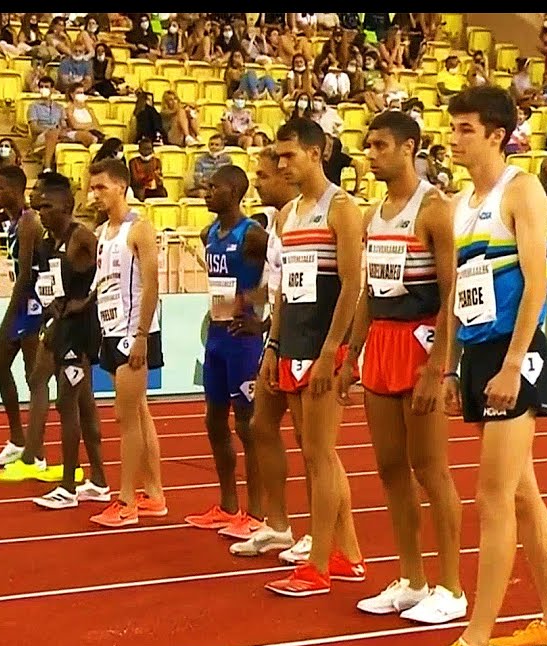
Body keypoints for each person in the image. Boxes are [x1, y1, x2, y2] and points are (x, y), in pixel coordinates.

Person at [407, 85, 547, 646]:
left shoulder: (520, 189)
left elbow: (536, 281)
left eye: (465, 129)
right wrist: (453, 368)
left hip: (514, 354)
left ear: (497, 134)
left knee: (494, 497)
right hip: (478, 355)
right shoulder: (457, 205)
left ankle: (475, 644)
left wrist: (512, 363)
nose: (453, 138)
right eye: (452, 128)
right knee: (523, 495)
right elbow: (459, 295)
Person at [338, 110, 466, 624]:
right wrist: (352, 353)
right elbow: (369, 292)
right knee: (391, 469)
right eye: (368, 146)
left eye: (380, 146)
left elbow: (453, 289)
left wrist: (440, 363)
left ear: (410, 147)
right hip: (381, 347)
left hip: (421, 343)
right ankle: (412, 579)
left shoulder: (434, 210)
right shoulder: (373, 215)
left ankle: (452, 587)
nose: (371, 155)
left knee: (431, 470)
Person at [229, 118, 365, 598]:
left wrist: (334, 349)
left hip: (326, 346)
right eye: (278, 157)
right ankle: (346, 554)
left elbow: (354, 283)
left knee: (320, 454)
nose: (282, 165)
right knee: (309, 450)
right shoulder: (289, 216)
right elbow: (286, 288)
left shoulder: (343, 209)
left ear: (317, 152)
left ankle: (320, 564)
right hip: (292, 345)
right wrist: (273, 344)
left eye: (289, 156)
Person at [181, 165, 271, 533]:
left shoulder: (252, 235)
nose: (206, 192)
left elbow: (282, 276)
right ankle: (228, 505)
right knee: (214, 421)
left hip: (242, 340)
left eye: (213, 187)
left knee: (248, 426)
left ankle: (257, 512)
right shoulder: (208, 234)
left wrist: (262, 319)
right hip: (216, 337)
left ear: (234, 192)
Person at [85, 158, 167, 527]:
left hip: (134, 332)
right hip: (111, 327)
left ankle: (126, 500)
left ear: (120, 186)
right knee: (139, 412)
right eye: (93, 187)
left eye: (101, 187)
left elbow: (151, 284)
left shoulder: (140, 229)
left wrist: (141, 336)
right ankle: (155, 494)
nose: (95, 194)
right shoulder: (103, 232)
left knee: (125, 416)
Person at [24, 172, 112, 508]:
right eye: (39, 205)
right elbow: (47, 285)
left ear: (66, 207)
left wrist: (86, 301)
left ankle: (68, 486)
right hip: (59, 326)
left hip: (80, 329)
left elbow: (109, 271)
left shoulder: (81, 237)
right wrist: (50, 314)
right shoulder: (48, 242)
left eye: (47, 206)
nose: (41, 211)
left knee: (67, 403)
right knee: (79, 401)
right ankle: (100, 480)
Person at [0, 165, 47, 469]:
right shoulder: (11, 223)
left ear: (15, 189)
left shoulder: (27, 222)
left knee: (33, 376)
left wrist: (8, 318)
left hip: (32, 305)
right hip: (24, 304)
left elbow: (25, 276)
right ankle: (18, 440)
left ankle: (36, 452)